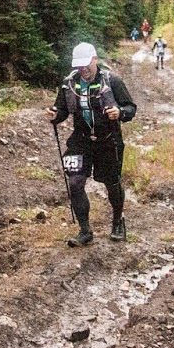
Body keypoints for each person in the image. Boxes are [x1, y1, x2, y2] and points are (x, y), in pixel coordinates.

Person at [43, 43, 138, 246]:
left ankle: (118, 222)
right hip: (80, 140)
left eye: (86, 64)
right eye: (79, 66)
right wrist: (54, 115)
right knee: (75, 183)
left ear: (95, 59)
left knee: (112, 183)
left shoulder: (112, 81)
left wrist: (120, 113)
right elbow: (61, 111)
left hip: (108, 140)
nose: (82, 69)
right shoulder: (68, 84)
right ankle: (85, 231)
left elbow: (131, 108)